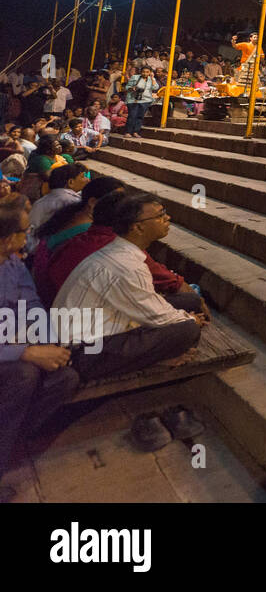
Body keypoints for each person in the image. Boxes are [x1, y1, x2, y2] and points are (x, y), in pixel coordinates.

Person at [52, 192, 202, 384]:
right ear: (137, 227)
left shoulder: (122, 251)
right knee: (187, 330)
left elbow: (149, 305)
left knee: (190, 301)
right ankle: (158, 360)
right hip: (84, 351)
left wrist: (184, 312)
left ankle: (160, 353)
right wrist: (190, 319)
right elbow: (158, 316)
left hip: (100, 326)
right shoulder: (126, 265)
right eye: (159, 215)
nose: (168, 218)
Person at [0, 195, 79, 497]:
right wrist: (27, 351)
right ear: (8, 239)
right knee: (24, 375)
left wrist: (46, 341)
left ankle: (12, 440)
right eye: (24, 231)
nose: (28, 235)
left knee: (66, 374)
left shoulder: (12, 265)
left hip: (12, 338)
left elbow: (30, 303)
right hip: (10, 354)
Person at [123, 65, 158, 138]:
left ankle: (136, 131)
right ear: (141, 72)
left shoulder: (151, 79)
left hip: (145, 100)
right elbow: (127, 87)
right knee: (132, 116)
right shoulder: (135, 77)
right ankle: (128, 132)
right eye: (143, 72)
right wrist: (132, 88)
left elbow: (155, 87)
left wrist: (152, 78)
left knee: (140, 116)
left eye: (147, 72)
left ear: (150, 72)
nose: (145, 73)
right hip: (134, 100)